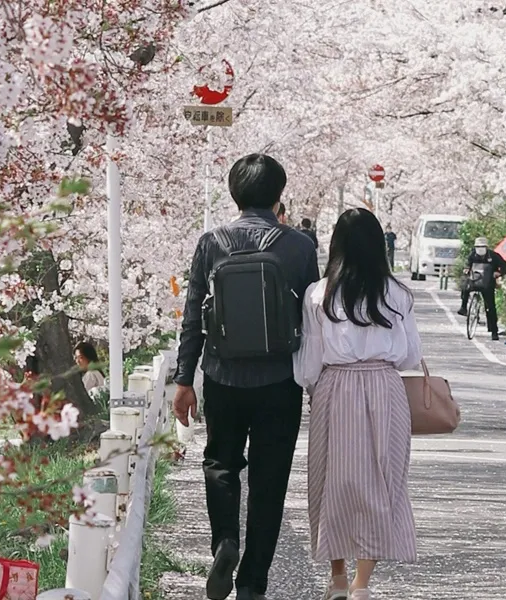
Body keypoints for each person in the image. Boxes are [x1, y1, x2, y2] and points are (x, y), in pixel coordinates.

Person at [173, 154, 321, 600]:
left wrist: (184, 380)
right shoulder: (299, 247)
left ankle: (225, 543)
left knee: (221, 464)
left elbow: (193, 317)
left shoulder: (211, 242)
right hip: (280, 380)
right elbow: (313, 320)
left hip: (223, 376)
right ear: (279, 195)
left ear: (234, 193)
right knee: (269, 479)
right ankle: (253, 582)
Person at [294, 208, 421, 600]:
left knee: (332, 482)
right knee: (384, 484)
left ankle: (336, 578)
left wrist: (314, 388)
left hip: (335, 388)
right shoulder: (397, 293)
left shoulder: (319, 293)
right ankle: (361, 585)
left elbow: (310, 361)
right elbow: (410, 355)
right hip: (385, 387)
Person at [457, 236, 506, 340]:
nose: (480, 249)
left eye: (482, 247)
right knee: (465, 286)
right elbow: (467, 265)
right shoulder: (472, 255)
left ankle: (494, 331)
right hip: (475, 281)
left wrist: (498, 273)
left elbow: (504, 266)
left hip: (488, 284)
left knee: (490, 307)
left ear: (486, 247)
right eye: (478, 247)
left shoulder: (494, 256)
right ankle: (463, 307)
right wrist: (467, 269)